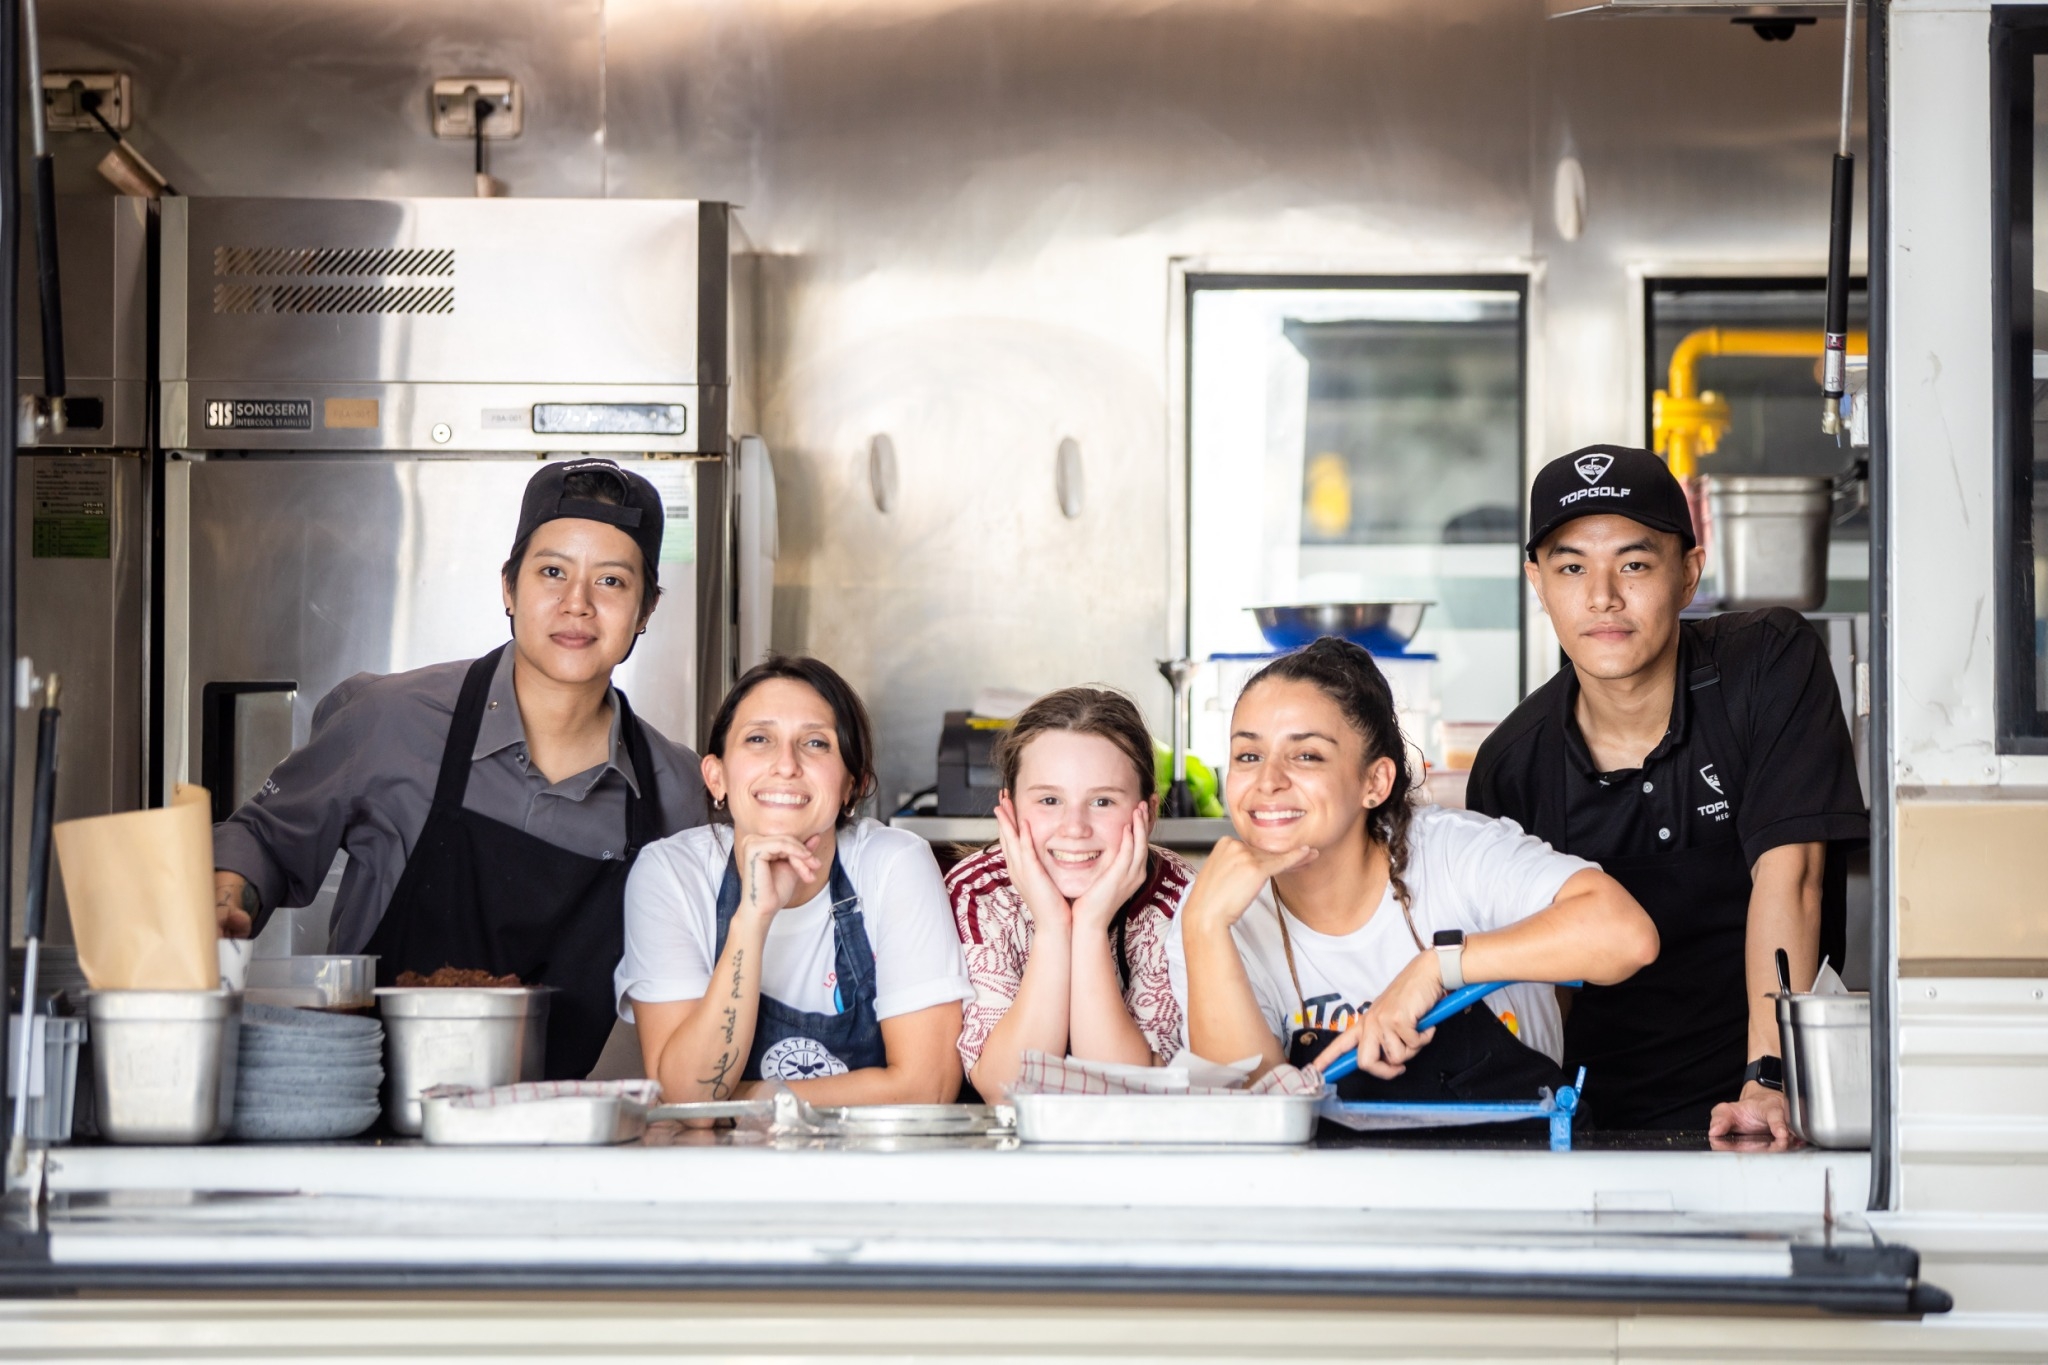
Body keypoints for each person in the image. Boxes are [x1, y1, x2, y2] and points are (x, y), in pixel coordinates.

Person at [212, 458, 711, 1080]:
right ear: (509, 587)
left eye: (611, 582)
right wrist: (231, 895)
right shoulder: (390, 720)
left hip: (563, 1146)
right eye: (552, 572)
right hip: (371, 1127)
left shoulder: (679, 793)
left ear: (645, 609)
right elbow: (266, 836)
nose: (576, 604)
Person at [1469, 445, 1868, 1141]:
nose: (1603, 596)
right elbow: (1534, 983)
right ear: (1536, 581)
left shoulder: (1767, 664)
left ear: (1688, 573)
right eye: (1571, 567)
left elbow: (1793, 876)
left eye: (1634, 563)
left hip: (1766, 1109)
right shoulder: (1514, 763)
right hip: (1590, 1118)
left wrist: (1767, 1080)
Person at [1169, 637, 1659, 1089]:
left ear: (1375, 783)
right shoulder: (1216, 911)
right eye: (1248, 756)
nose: (1268, 781)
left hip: (1515, 1167)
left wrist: (1437, 969)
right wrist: (1204, 926)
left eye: (1307, 756)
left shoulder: (1454, 852)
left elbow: (1626, 937)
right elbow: (1249, 1114)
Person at [619, 656, 971, 1103]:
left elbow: (927, 1089)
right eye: (759, 738)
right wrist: (751, 919)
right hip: (722, 1171)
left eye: (816, 743)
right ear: (716, 776)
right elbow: (688, 1102)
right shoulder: (672, 875)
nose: (786, 765)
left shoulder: (894, 863)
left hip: (873, 1167)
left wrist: (740, 1100)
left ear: (852, 786)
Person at [949, 687, 1195, 1100]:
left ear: (1148, 813)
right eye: (1049, 799)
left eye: (1102, 801)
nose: (1075, 828)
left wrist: (1091, 927)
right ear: (1008, 810)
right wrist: (1051, 927)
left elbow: (1128, 1093)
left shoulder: (1181, 897)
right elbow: (1006, 1089)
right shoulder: (978, 895)